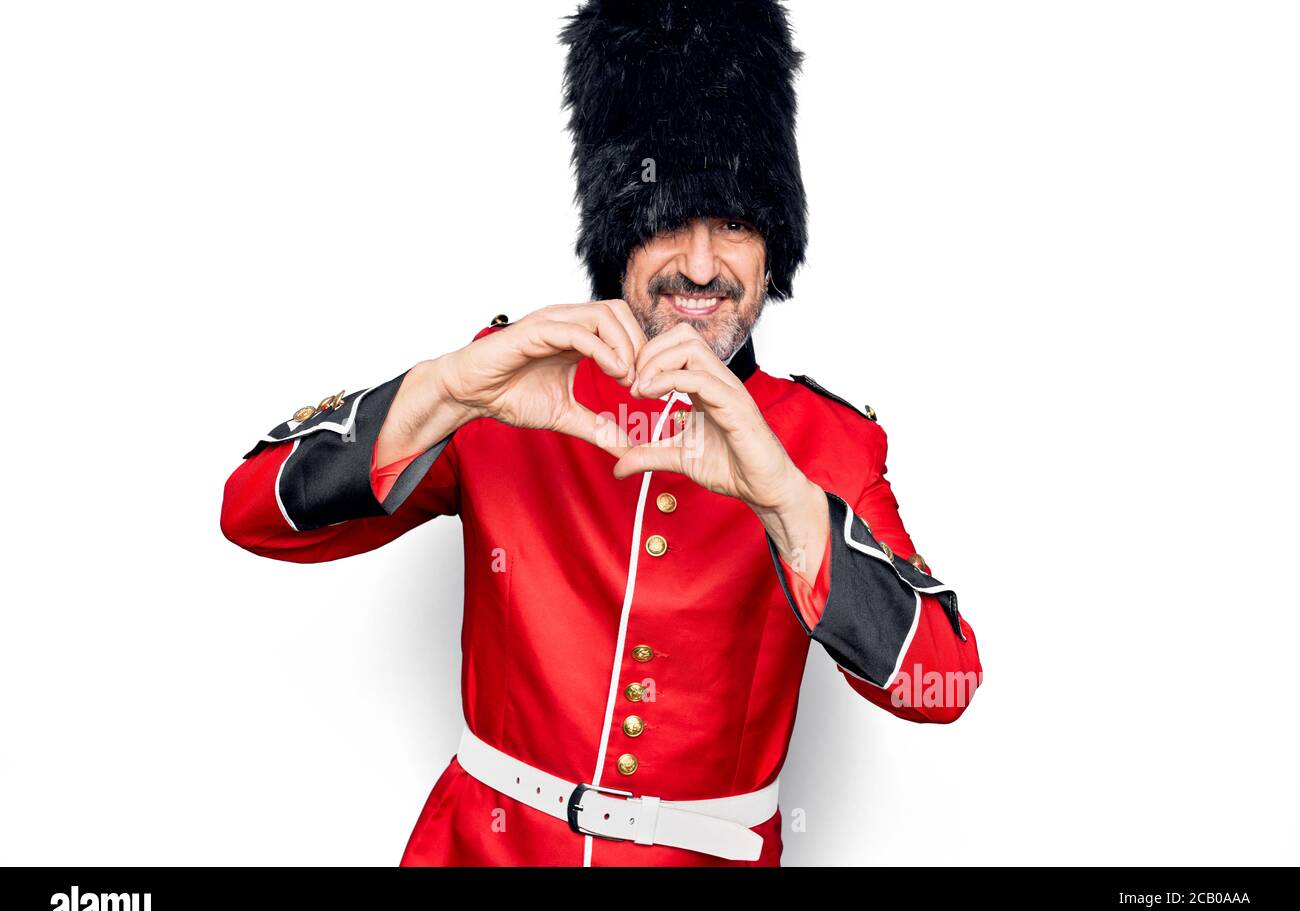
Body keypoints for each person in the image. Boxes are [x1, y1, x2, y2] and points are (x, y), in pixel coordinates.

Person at [220, 0, 982, 866]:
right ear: (617, 233)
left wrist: (786, 501)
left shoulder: (829, 443)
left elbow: (946, 681)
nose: (701, 266)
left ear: (775, 245)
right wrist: (446, 386)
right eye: (666, 220)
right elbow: (250, 512)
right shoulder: (507, 386)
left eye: (734, 224)